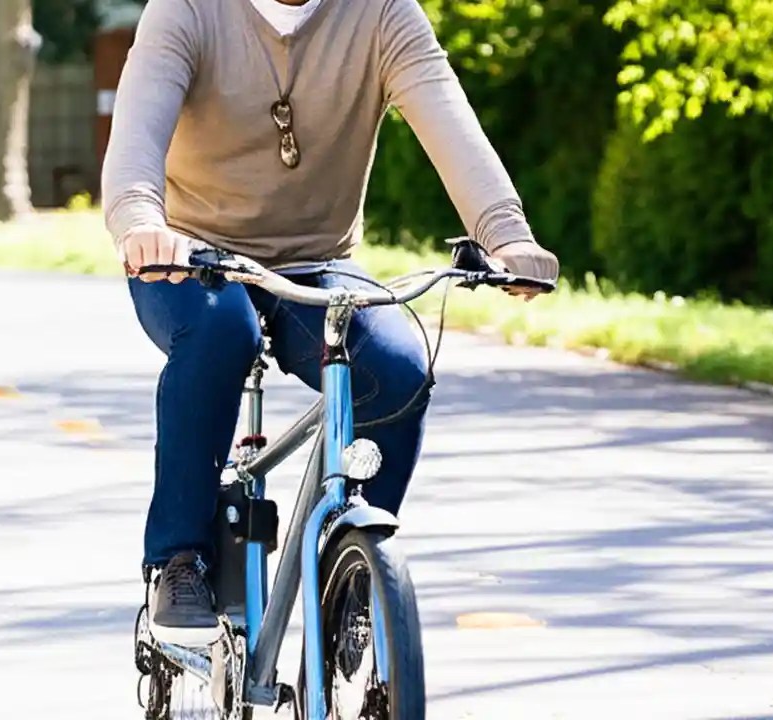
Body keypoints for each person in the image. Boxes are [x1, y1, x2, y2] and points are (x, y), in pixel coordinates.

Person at [101, 0, 559, 645]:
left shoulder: (383, 15)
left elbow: (451, 123)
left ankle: (354, 566)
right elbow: (135, 146)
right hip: (189, 257)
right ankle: (178, 558)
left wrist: (506, 236)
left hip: (316, 263)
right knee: (221, 333)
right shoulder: (187, 11)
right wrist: (142, 224)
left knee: (398, 371)